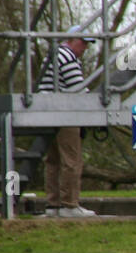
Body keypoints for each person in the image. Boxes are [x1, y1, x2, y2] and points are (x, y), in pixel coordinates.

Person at [38, 27, 96, 217]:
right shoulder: (69, 57)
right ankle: (69, 205)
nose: (85, 48)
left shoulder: (52, 55)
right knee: (72, 159)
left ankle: (53, 205)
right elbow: (78, 89)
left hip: (46, 111)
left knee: (53, 160)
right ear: (72, 40)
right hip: (65, 112)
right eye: (83, 42)